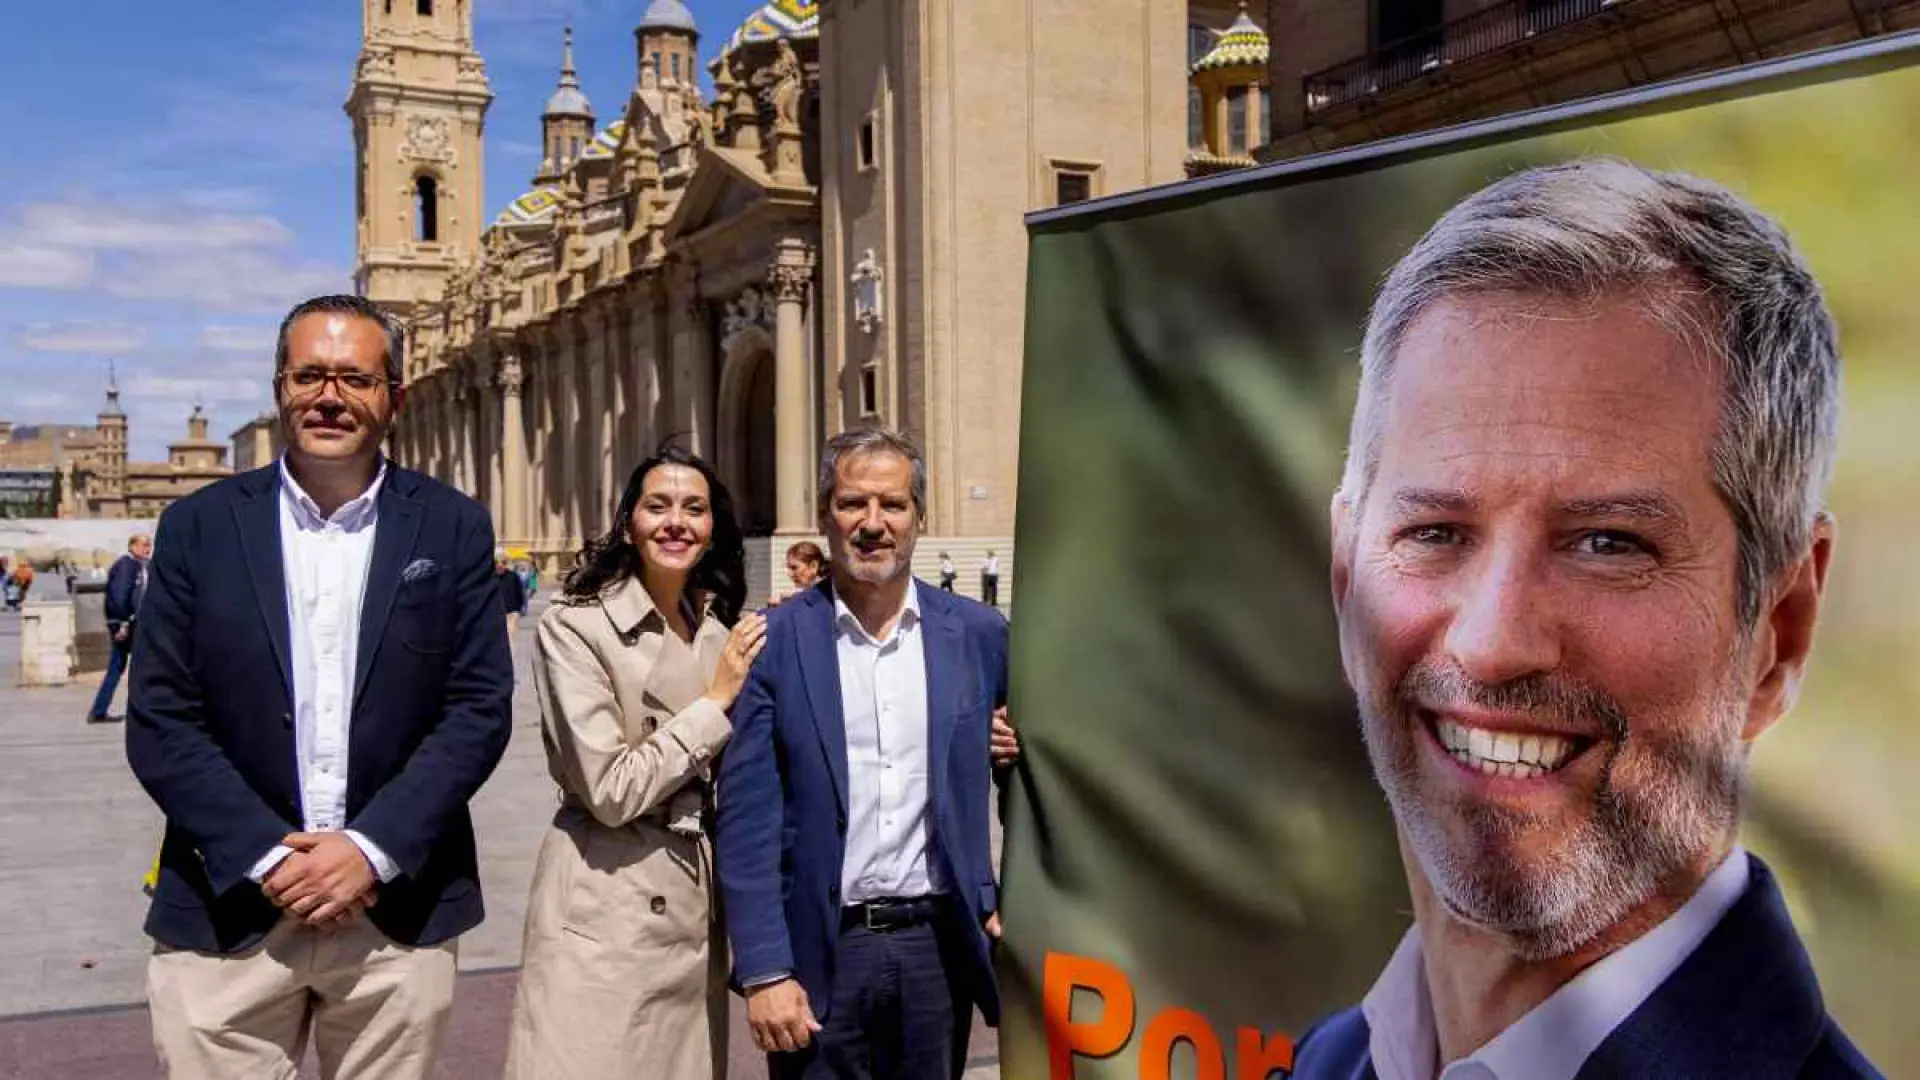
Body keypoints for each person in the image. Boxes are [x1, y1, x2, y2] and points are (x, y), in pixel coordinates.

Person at [1290, 158, 1881, 1078]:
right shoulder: (1330, 1061)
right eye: (1437, 531)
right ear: (1344, 580)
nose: (1490, 644)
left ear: (1783, 629)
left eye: (1607, 544)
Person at [126, 294, 515, 1079]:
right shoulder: (198, 529)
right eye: (309, 375)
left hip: (394, 913)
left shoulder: (453, 527)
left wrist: (369, 851)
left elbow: (476, 709)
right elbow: (163, 717)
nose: (329, 396)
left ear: (394, 398)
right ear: (279, 389)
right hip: (227, 908)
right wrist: (270, 858)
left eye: (354, 378)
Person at [716, 427, 1017, 1080]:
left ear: (919, 518)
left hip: (938, 949)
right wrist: (765, 968)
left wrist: (1016, 897)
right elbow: (747, 821)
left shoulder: (978, 636)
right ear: (826, 511)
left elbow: (1030, 780)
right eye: (854, 503)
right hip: (823, 952)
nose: (873, 523)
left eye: (893, 505)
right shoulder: (776, 643)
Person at [503, 445, 767, 1079]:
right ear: (628, 524)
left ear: (712, 530)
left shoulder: (714, 630)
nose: (676, 522)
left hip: (694, 908)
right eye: (658, 506)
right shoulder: (575, 628)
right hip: (607, 904)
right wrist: (716, 701)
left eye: (694, 509)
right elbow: (611, 788)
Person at [87, 533, 151, 724]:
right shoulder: (126, 565)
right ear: (132, 546)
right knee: (139, 666)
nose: (148, 549)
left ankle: (99, 710)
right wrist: (123, 623)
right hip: (127, 624)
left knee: (118, 667)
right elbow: (120, 595)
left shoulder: (137, 565)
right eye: (144, 545)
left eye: (149, 545)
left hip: (130, 623)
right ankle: (138, 710)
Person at [495, 547, 528, 636]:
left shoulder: (513, 576)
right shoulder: (488, 578)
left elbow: (520, 594)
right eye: (497, 562)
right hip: (493, 614)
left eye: (503, 562)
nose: (500, 565)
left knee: (509, 641)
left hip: (511, 613)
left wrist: (518, 611)